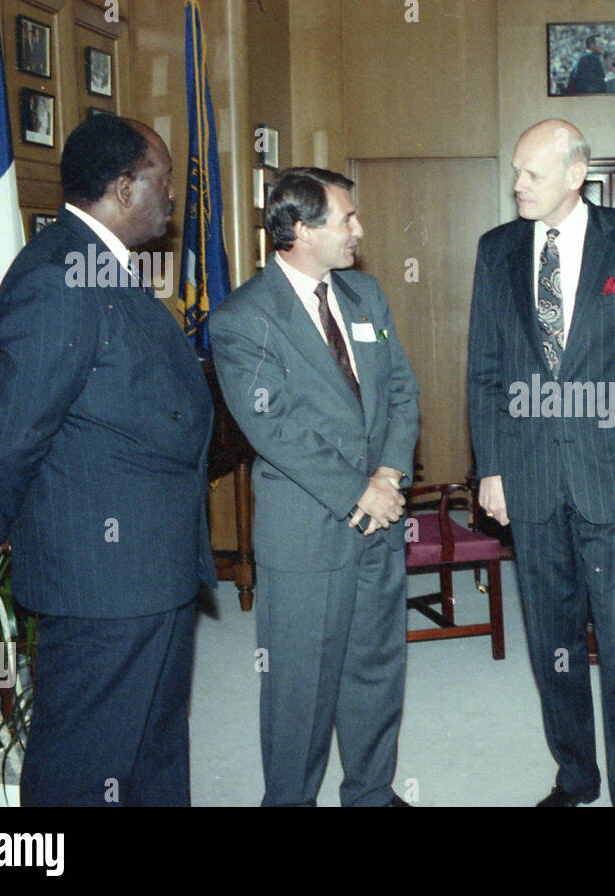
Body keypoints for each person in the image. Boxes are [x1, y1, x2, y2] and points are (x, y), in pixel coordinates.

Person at [0, 115, 213, 806]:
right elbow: (11, 434)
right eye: (163, 180)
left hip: (149, 565)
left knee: (153, 745)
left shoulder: (99, 263)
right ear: (125, 186)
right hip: (102, 576)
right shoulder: (58, 277)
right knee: (85, 761)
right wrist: (3, 523)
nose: (172, 197)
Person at [467, 119, 615, 806]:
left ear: (576, 172)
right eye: (515, 172)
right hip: (529, 476)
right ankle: (576, 776)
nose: (517, 185)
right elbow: (484, 370)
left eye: (532, 172)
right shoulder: (497, 249)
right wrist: (491, 471)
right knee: (551, 643)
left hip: (614, 473)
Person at [209, 167, 419, 807]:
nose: (360, 229)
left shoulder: (366, 296)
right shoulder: (243, 318)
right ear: (300, 230)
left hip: (379, 522)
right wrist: (359, 489)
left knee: (376, 674)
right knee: (299, 690)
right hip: (308, 533)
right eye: (346, 218)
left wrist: (388, 473)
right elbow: (271, 428)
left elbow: (402, 393)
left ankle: (372, 794)